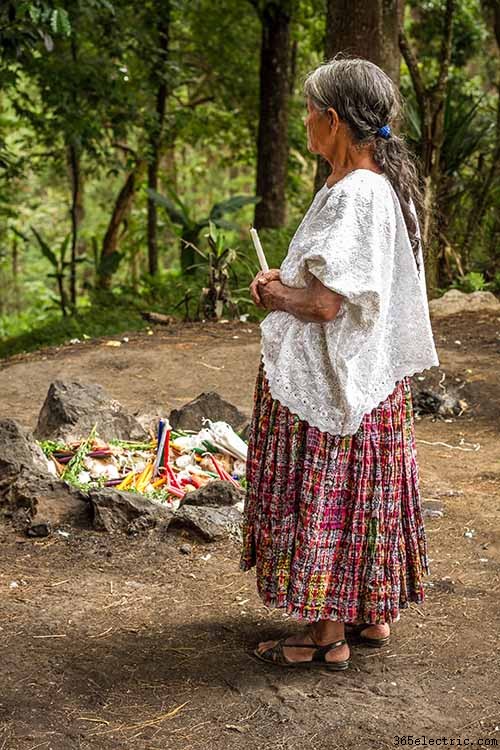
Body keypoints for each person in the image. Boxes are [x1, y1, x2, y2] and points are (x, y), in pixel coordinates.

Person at [240, 57, 440, 670]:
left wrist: (276, 294)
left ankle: (324, 635)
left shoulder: (356, 193)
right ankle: (367, 613)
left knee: (326, 493)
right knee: (362, 495)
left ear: (331, 120)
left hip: (334, 385)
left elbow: (327, 303)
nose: (303, 123)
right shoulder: (379, 185)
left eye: (309, 112)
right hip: (371, 382)